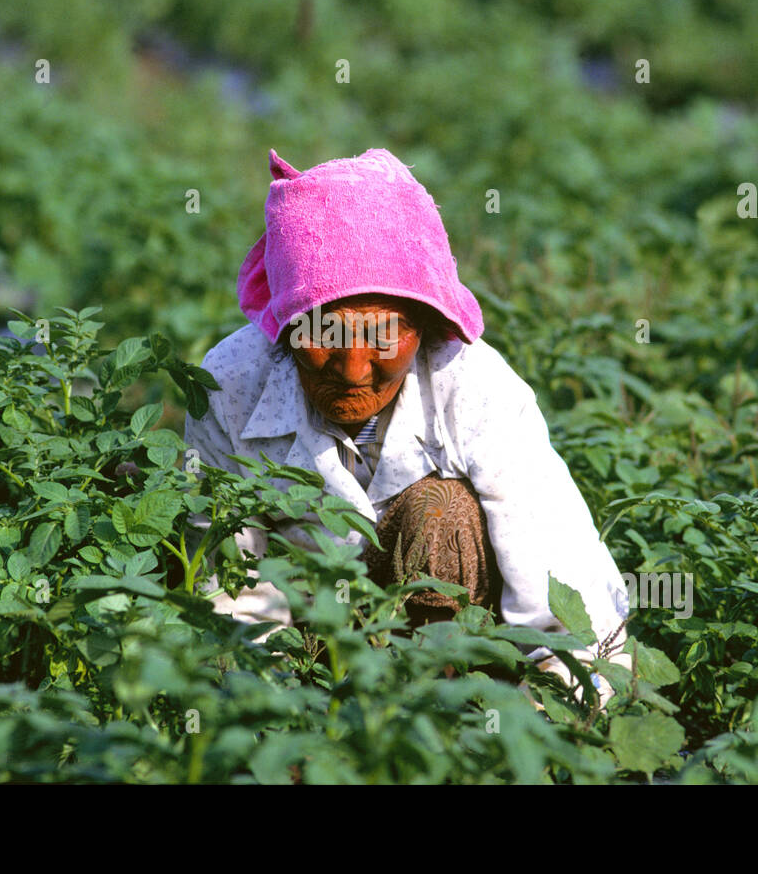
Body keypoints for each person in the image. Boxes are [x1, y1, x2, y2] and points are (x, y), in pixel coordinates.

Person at [184, 147, 631, 707]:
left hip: (460, 654)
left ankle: (441, 716)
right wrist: (270, 708)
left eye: (381, 337)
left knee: (439, 511)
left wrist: (562, 712)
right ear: (285, 324)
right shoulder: (228, 384)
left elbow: (558, 575)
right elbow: (229, 584)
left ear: (425, 326)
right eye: (323, 334)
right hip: (311, 655)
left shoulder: (476, 388)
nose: (352, 370)